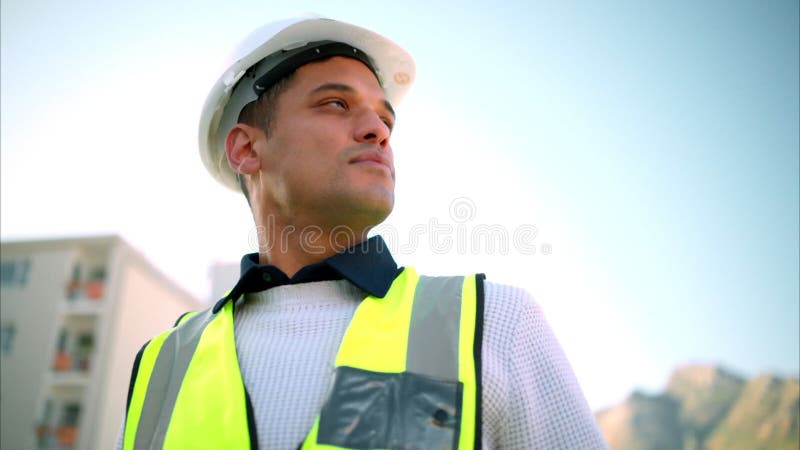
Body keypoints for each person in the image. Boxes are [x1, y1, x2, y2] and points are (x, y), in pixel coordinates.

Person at [117, 15, 608, 450]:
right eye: (335, 103)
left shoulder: (496, 325)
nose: (378, 129)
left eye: (384, 116)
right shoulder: (164, 365)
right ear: (246, 149)